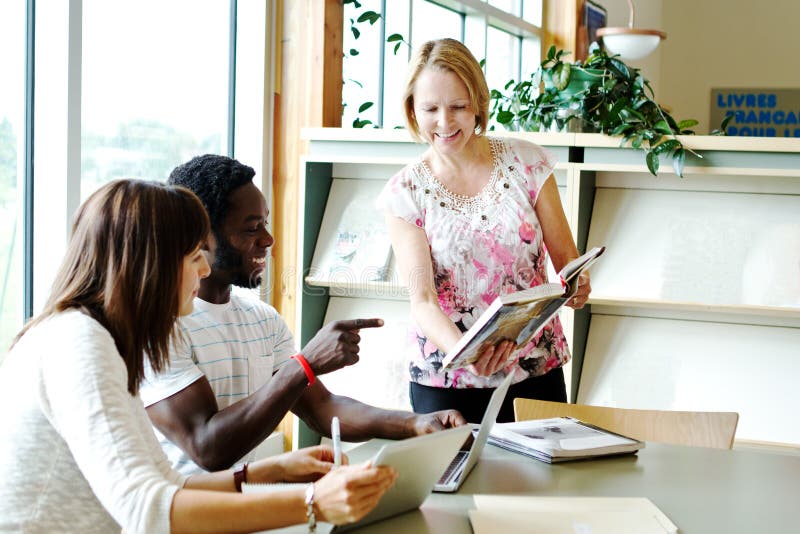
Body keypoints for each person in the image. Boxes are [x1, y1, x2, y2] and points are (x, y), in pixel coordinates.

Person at [0, 179, 396, 533]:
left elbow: (164, 482)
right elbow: (146, 508)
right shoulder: (79, 343)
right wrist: (313, 503)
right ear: (148, 267)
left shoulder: (98, 338)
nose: (206, 270)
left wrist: (271, 471)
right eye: (194, 257)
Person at [140, 155, 466, 475]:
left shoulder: (262, 320)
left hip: (243, 510)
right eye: (252, 228)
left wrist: (415, 423)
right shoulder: (161, 327)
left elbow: (322, 409)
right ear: (202, 236)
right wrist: (305, 365)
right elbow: (207, 449)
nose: (268, 239)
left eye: (265, 223)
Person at [377, 38, 592, 424]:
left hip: (535, 368)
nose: (445, 122)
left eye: (458, 106)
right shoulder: (404, 193)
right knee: (454, 483)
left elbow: (567, 262)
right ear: (412, 110)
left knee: (546, 484)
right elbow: (422, 300)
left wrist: (577, 286)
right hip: (445, 382)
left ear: (478, 101)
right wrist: (467, 354)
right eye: (430, 109)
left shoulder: (528, 162)